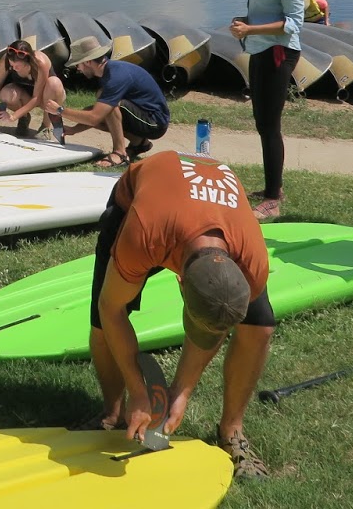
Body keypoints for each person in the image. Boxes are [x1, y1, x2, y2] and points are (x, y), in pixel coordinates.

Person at [84, 151, 274, 481]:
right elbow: (111, 309)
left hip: (199, 214)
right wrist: (137, 390)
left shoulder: (253, 262)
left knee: (259, 328)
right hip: (140, 200)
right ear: (180, 283)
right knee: (104, 321)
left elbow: (217, 321)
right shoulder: (145, 232)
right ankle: (111, 413)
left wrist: (182, 391)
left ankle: (232, 431)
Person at [228, 0, 304, 221]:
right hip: (261, 48)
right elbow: (266, 12)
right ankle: (274, 187)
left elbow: (294, 22)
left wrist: (250, 29)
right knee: (262, 122)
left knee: (269, 126)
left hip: (278, 52)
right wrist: (246, 22)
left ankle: (273, 198)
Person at [60, 36, 170, 168]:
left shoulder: (115, 77)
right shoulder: (109, 71)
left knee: (110, 106)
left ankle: (120, 153)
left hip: (155, 123)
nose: (78, 69)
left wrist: (59, 110)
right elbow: (96, 114)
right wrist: (73, 130)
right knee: (101, 106)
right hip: (145, 117)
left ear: (88, 62)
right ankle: (139, 143)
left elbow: (94, 118)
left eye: (78, 64)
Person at [0, 39, 67, 140]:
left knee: (54, 83)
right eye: (12, 65)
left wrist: (13, 117)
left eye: (17, 66)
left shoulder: (40, 63)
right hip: (25, 95)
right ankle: (24, 118)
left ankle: (45, 127)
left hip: (46, 97)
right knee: (6, 94)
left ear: (28, 60)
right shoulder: (6, 59)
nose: (14, 68)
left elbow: (36, 98)